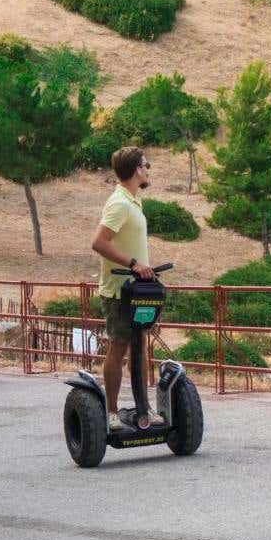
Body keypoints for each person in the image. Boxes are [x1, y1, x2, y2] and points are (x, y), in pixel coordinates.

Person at [90, 147, 165, 431]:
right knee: (119, 345)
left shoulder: (133, 201)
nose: (148, 169)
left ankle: (144, 409)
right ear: (136, 169)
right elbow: (99, 242)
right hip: (118, 291)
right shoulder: (119, 203)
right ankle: (111, 412)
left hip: (137, 291)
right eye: (146, 165)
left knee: (140, 347)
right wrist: (134, 264)